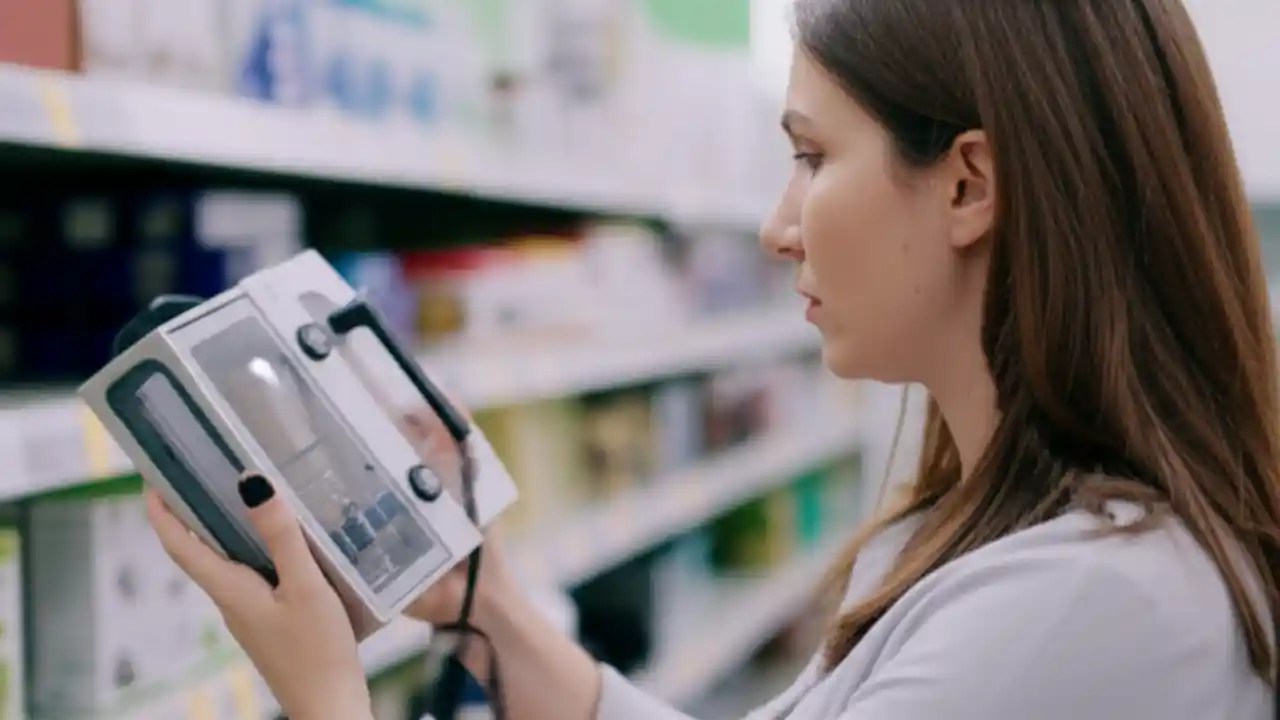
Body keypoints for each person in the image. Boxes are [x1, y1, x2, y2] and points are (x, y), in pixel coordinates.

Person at [146, 0, 1280, 718]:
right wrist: (481, 602)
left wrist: (324, 697)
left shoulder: (1085, 605)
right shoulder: (1017, 539)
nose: (775, 227)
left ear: (968, 184)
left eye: (809, 155)